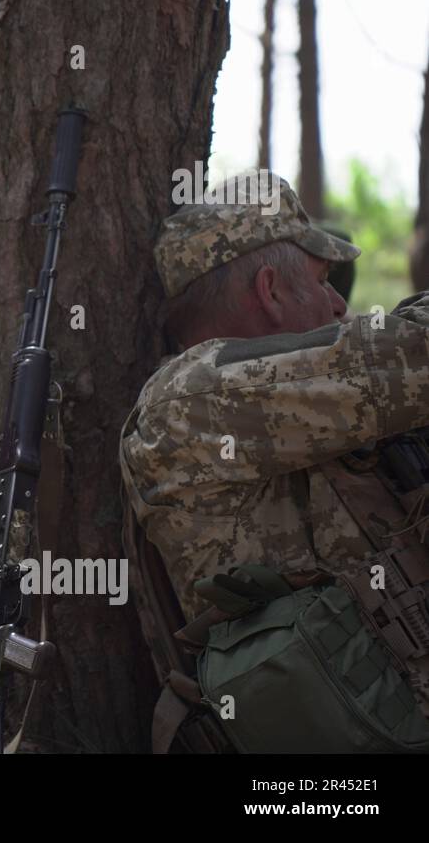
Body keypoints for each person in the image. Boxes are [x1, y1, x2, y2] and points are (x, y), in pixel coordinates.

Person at [120, 171, 429, 752]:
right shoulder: (190, 399)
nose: (340, 304)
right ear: (270, 290)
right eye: (322, 281)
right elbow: (412, 356)